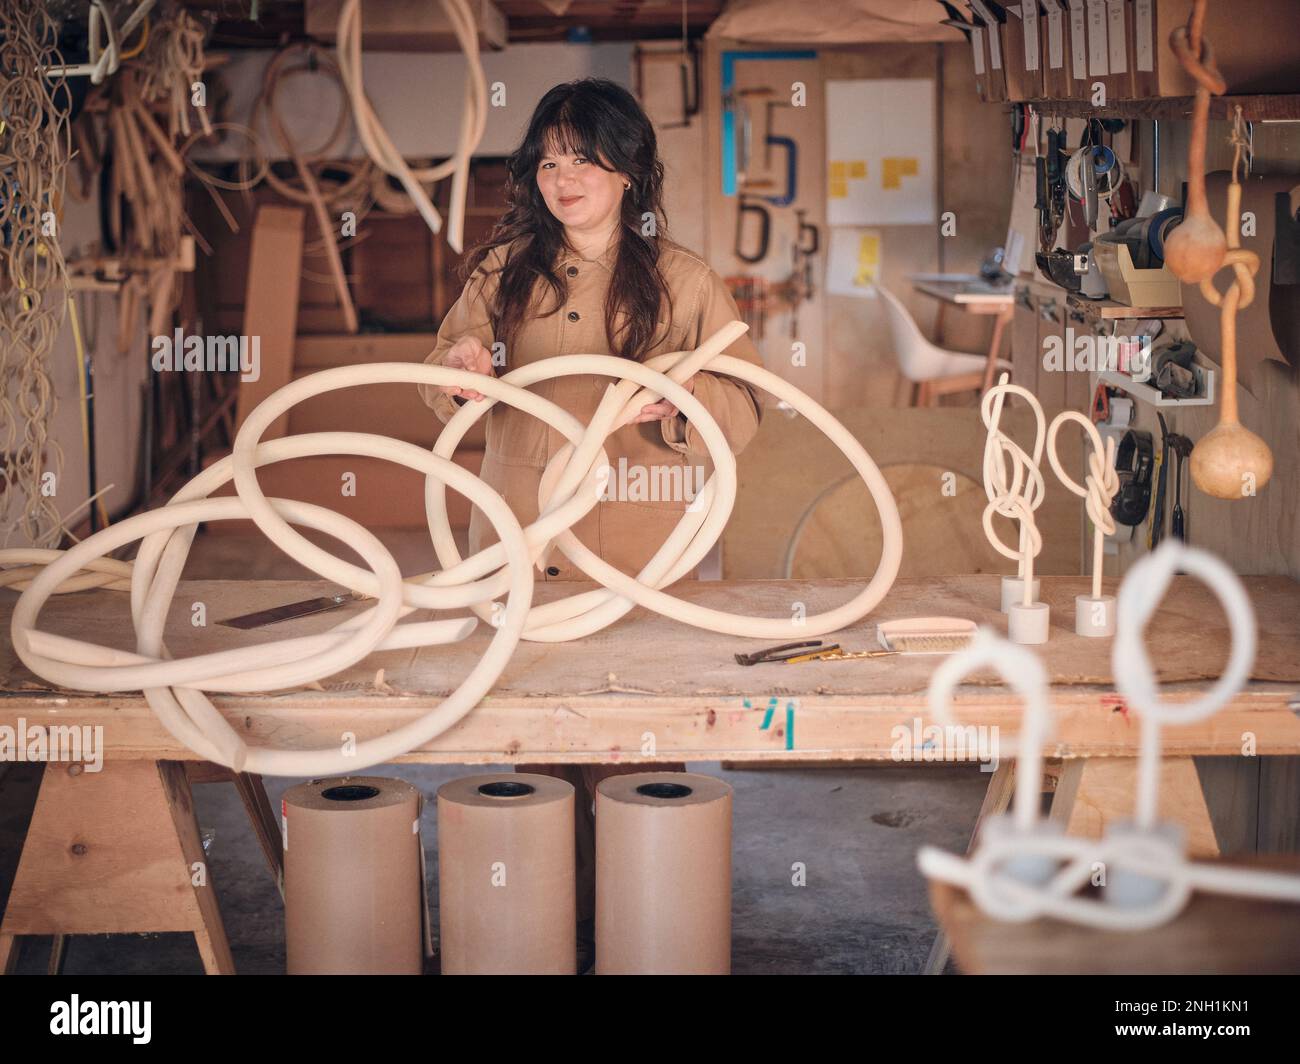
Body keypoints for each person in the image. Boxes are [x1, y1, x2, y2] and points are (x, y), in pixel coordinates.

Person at [419, 77, 763, 967]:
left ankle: (648, 929)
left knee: (634, 758)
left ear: (629, 166)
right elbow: (437, 381)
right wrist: (453, 363)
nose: (563, 178)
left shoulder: (684, 281)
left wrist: (685, 401)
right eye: (548, 160)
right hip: (521, 548)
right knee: (526, 753)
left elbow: (748, 405)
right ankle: (534, 935)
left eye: (582, 157)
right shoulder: (501, 272)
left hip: (643, 558)